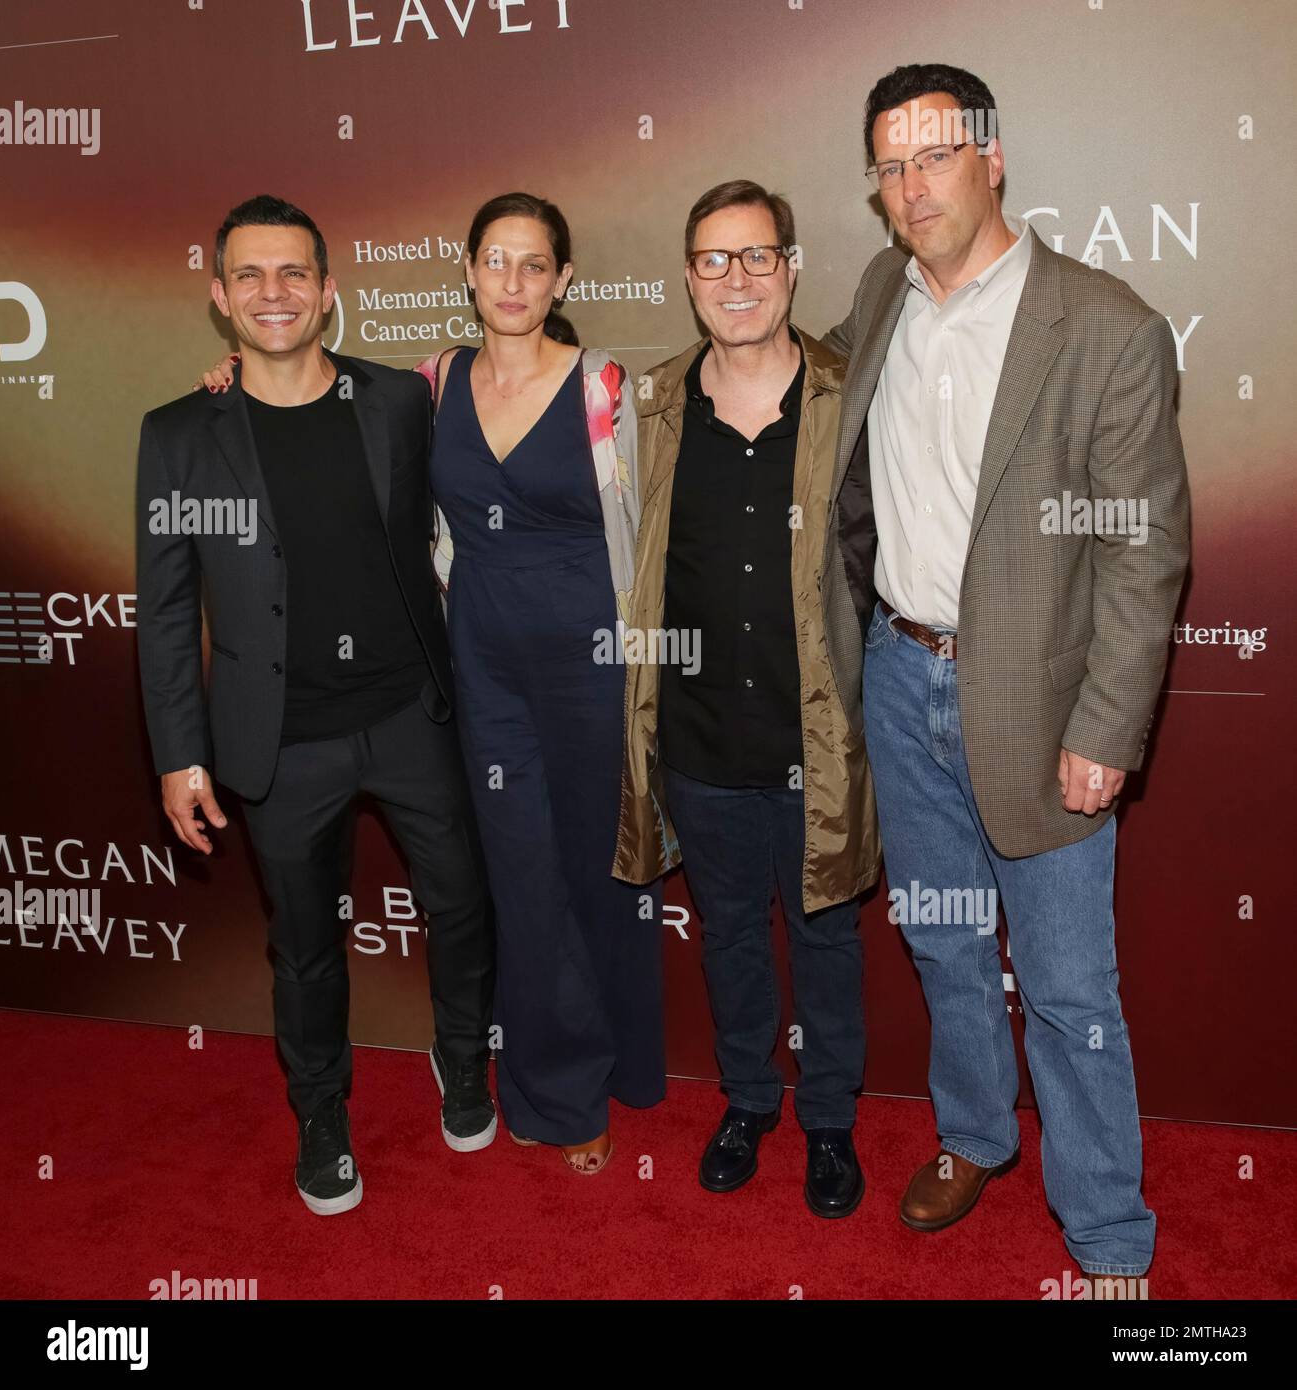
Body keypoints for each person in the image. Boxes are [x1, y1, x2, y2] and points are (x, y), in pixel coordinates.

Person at [823, 65, 1190, 1284]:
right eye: (889, 165)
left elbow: (1143, 555)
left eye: (932, 155)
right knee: (941, 943)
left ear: (992, 158)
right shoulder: (883, 291)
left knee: (1073, 983)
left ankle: (1105, 1232)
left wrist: (1108, 727)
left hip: (1041, 703)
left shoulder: (1104, 325)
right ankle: (975, 1134)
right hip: (898, 672)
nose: (910, 185)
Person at [138, 195, 497, 1217]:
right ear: (218, 297)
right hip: (280, 741)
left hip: (411, 713)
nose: (273, 292)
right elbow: (165, 610)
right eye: (249, 276)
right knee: (302, 946)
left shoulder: (395, 402)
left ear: (329, 291)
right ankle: (323, 1117)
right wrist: (179, 752)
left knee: (464, 906)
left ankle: (464, 1062)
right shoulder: (178, 437)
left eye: (294, 272)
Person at [613, 181, 882, 1218]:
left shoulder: (850, 392)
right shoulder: (647, 406)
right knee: (726, 934)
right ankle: (748, 1102)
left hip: (817, 732)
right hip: (697, 734)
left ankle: (827, 1123)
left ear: (793, 266)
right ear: (688, 279)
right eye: (715, 261)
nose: (737, 279)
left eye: (756, 256)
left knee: (823, 937)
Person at [419, 193, 665, 1175]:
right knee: (520, 871)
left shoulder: (603, 383)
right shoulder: (431, 384)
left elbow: (642, 536)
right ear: (469, 271)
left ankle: (618, 1057)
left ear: (562, 279)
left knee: (593, 865)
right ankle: (559, 1089)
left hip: (592, 665)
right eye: (495, 261)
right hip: (484, 665)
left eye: (534, 265)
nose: (513, 282)